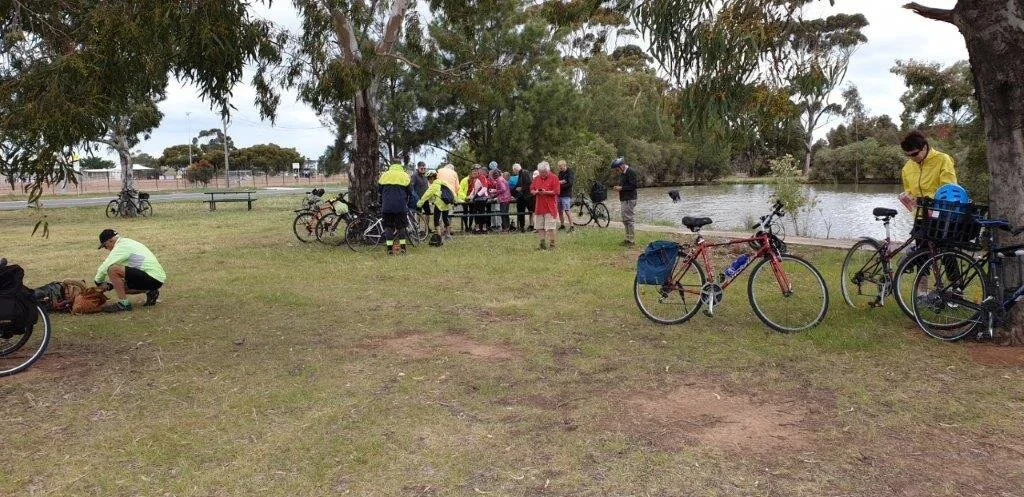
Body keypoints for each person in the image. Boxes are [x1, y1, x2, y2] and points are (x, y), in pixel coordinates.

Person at [94, 229, 166, 313]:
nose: (106, 248)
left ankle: (124, 304)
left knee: (112, 269)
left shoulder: (121, 246)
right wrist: (110, 285)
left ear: (111, 240)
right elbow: (128, 271)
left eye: (105, 245)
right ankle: (151, 291)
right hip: (156, 278)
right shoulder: (128, 243)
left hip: (152, 277)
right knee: (121, 287)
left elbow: (105, 266)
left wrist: (98, 281)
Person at [899, 129, 958, 210]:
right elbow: (909, 192)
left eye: (914, 154)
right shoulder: (906, 168)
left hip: (941, 214)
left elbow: (949, 191)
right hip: (919, 216)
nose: (912, 158)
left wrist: (924, 201)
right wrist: (907, 198)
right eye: (908, 155)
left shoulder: (943, 160)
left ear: (924, 147)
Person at [378, 162, 413, 254]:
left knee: (388, 227)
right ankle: (403, 248)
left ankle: (389, 249)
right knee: (401, 227)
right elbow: (410, 191)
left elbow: (379, 190)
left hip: (386, 206)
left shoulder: (384, 175)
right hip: (400, 206)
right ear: (400, 166)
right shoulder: (405, 176)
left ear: (391, 166)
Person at [530, 161, 561, 250]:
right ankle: (542, 243)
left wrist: (545, 192)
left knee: (550, 227)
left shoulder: (554, 178)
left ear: (548, 170)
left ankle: (552, 244)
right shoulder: (536, 178)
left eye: (544, 172)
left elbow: (556, 191)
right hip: (539, 207)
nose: (542, 174)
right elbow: (531, 189)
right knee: (540, 226)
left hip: (550, 207)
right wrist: (536, 192)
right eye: (540, 172)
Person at [416, 170, 453, 239]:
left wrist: (418, 204)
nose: (428, 181)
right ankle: (448, 235)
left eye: (428, 179)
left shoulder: (433, 186)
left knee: (436, 220)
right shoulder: (443, 183)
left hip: (439, 204)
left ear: (432, 178)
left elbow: (425, 196)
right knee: (445, 219)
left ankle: (439, 236)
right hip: (447, 203)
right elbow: (450, 192)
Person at [611, 157, 638, 247]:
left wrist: (622, 188)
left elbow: (634, 186)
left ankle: (632, 241)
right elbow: (624, 185)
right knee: (625, 220)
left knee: (629, 220)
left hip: (630, 199)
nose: (616, 170)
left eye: (617, 168)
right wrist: (619, 188)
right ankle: (627, 239)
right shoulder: (622, 173)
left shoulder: (631, 172)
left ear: (621, 165)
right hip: (624, 199)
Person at [513, 163, 534, 232]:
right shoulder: (520, 174)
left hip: (526, 196)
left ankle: (532, 226)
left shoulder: (525, 173)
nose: (514, 172)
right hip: (522, 196)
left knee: (530, 211)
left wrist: (521, 189)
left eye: (513, 170)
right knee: (521, 212)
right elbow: (518, 185)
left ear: (515, 169)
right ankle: (521, 227)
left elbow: (529, 183)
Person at [556, 159, 575, 231]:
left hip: (566, 195)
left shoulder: (570, 172)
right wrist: (562, 182)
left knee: (567, 210)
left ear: (565, 165)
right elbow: (558, 182)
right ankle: (562, 225)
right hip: (559, 194)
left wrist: (561, 183)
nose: (560, 168)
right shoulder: (560, 173)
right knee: (560, 211)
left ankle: (572, 226)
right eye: (559, 167)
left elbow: (570, 183)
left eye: (561, 166)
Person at [411, 161, 431, 230]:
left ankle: (427, 228)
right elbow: (412, 187)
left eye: (424, 168)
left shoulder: (426, 176)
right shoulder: (414, 176)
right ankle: (417, 228)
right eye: (422, 168)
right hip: (418, 199)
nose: (423, 170)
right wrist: (415, 197)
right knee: (418, 213)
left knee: (428, 212)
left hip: (425, 198)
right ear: (418, 168)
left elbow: (427, 186)